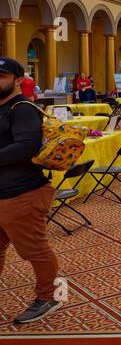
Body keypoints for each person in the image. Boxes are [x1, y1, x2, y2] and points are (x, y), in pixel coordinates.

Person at [0, 56, 61, 326]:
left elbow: (25, 146)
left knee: (34, 250)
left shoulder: (22, 108)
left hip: (22, 193)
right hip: (3, 193)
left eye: (2, 76)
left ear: (18, 80)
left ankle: (47, 297)